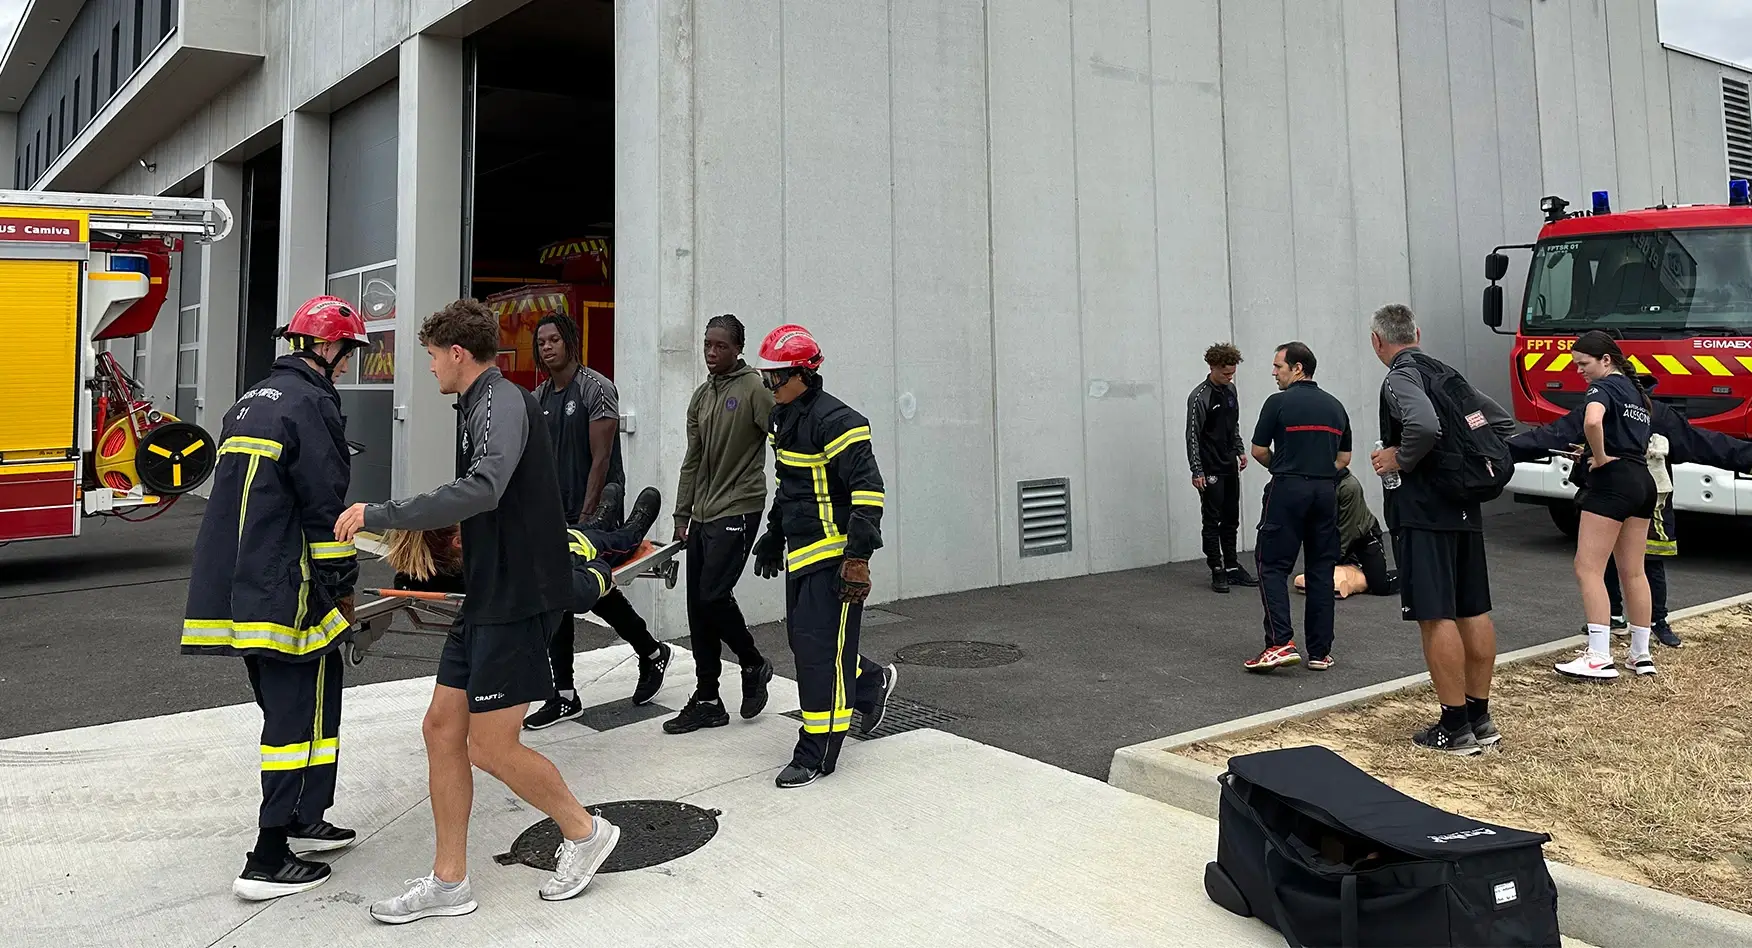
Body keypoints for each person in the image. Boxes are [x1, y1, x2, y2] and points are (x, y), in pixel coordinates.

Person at [334, 299, 617, 924]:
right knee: (441, 728)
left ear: (457, 353)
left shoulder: (502, 402)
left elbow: (486, 486)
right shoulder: (479, 403)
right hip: (489, 592)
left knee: (490, 745)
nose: (431, 368)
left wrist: (385, 512)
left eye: (433, 357)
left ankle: (585, 831)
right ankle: (449, 881)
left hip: (519, 597)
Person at [182, 295, 369, 900]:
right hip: (286, 588)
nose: (347, 367)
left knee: (302, 702)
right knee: (295, 717)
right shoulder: (312, 405)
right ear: (327, 347)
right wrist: (340, 583)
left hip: (237, 586)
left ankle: (303, 818)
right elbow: (324, 508)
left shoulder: (251, 399)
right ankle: (266, 855)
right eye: (348, 354)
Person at [749, 324, 899, 788]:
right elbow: (789, 487)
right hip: (802, 552)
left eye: (775, 376)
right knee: (811, 644)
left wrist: (858, 558)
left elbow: (868, 492)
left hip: (835, 556)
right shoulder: (784, 418)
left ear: (802, 374)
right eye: (765, 376)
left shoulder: (840, 422)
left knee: (817, 656)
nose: (768, 385)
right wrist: (774, 536)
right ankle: (870, 681)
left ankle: (817, 750)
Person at [1508, 372, 1752, 653]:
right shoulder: (1647, 410)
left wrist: (1504, 453)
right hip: (1639, 493)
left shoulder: (1622, 406)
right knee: (1631, 565)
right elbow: (1705, 444)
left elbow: (1557, 433)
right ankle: (1635, 637)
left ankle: (1632, 632)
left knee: (1621, 563)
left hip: (1624, 495)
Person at [1368, 303, 1514, 756]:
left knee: (1435, 614)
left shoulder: (1400, 378)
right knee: (1472, 608)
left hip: (1424, 509)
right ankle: (1479, 716)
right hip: (1465, 505)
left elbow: (1425, 424)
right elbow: (1501, 422)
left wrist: (1400, 457)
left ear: (1378, 341)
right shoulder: (1447, 374)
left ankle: (1453, 727)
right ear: (1417, 331)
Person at [525, 313, 669, 729]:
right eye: (542, 342)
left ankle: (576, 687)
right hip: (555, 515)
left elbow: (602, 460)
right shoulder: (538, 398)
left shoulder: (596, 389)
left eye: (554, 339)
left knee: (580, 594)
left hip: (595, 509)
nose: (547, 347)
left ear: (570, 341)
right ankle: (578, 687)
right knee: (570, 596)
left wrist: (586, 519)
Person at [664, 315, 777, 735]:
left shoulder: (754, 390)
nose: (711, 353)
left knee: (713, 597)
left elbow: (783, 441)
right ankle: (708, 699)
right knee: (697, 607)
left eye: (720, 346)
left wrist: (782, 511)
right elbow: (692, 459)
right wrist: (681, 513)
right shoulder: (701, 397)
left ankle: (753, 662)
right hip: (704, 513)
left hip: (740, 506)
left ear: (737, 348)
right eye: (707, 345)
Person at [1546, 332, 1659, 681]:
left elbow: (1592, 421)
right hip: (1643, 480)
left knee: (1588, 567)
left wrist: (1598, 455)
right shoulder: (1637, 394)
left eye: (1584, 363)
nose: (1579, 370)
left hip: (1613, 482)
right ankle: (1641, 653)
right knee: (1634, 571)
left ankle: (1597, 655)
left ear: (1605, 360)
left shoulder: (1602, 388)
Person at [1244, 341, 1351, 673]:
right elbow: (1344, 458)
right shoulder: (1336, 407)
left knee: (1271, 565)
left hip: (1288, 488)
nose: (1274, 373)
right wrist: (1319, 472)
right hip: (1325, 491)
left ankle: (1279, 643)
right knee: (1321, 570)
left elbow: (1258, 450)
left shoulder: (1277, 403)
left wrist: (1286, 467)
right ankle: (1319, 652)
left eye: (1278, 366)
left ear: (1298, 368)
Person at [1186, 342, 1257, 593]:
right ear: (1212, 367)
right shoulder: (1199, 397)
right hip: (1209, 467)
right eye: (1225, 373)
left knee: (1231, 519)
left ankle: (1233, 567)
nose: (1229, 377)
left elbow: (1233, 424)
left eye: (1232, 373)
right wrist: (1197, 470)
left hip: (1229, 464)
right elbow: (1192, 435)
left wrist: (1239, 450)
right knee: (1212, 519)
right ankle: (1217, 569)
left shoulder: (1231, 391)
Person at [1294, 467, 1391, 599]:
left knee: (1380, 586)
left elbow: (1347, 530)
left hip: (1363, 536)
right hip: (1336, 535)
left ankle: (1407, 575)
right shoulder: (1315, 482)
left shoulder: (1349, 486)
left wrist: (1330, 560)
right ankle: (1354, 568)